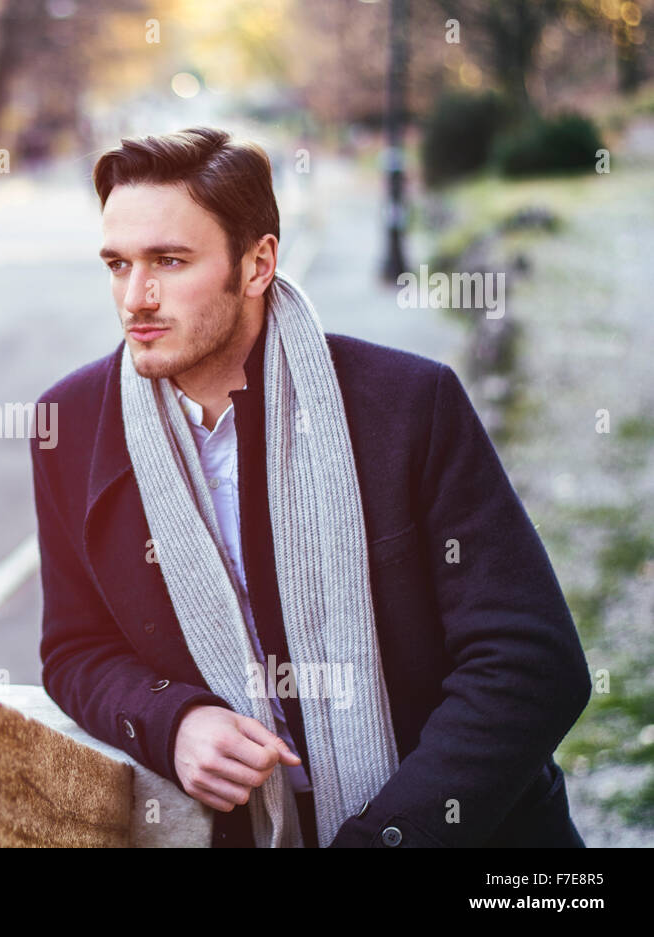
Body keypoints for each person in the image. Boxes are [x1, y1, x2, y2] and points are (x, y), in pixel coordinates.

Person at [29, 126, 591, 848]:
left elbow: (530, 662)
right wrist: (175, 719)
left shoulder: (407, 405)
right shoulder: (71, 426)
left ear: (257, 263)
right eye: (117, 263)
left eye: (169, 261)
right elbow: (76, 648)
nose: (136, 296)